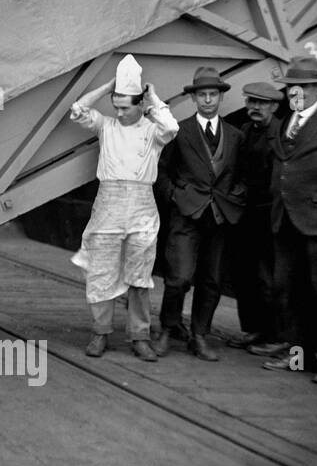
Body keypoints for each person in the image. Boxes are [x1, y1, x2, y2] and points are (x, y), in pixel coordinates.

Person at [69, 55, 178, 360]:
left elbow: (171, 126)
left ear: (140, 104)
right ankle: (100, 332)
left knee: (140, 275)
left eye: (125, 107)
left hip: (142, 205)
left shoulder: (153, 132)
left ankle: (139, 336)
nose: (119, 112)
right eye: (116, 107)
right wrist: (106, 88)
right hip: (108, 203)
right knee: (102, 272)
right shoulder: (106, 126)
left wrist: (153, 97)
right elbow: (77, 110)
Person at [261, 58, 317, 384]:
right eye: (290, 88)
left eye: (300, 87)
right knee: (288, 289)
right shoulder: (287, 122)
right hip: (286, 221)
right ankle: (300, 357)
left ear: (316, 89)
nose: (294, 92)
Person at [152, 67, 245, 361]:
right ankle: (168, 328)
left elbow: (244, 175)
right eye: (202, 95)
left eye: (213, 94)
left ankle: (199, 335)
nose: (207, 100)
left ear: (220, 97)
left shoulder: (235, 135)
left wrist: (235, 200)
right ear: (193, 98)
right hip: (186, 215)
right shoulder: (180, 131)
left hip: (220, 217)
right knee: (178, 276)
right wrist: (174, 197)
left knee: (212, 280)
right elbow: (162, 170)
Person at [230, 82, 284, 354]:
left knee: (269, 278)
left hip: (271, 215)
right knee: (246, 274)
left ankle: (276, 336)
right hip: (247, 213)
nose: (255, 108)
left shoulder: (283, 134)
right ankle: (255, 330)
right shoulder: (245, 131)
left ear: (274, 107)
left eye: (262, 103)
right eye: (251, 101)